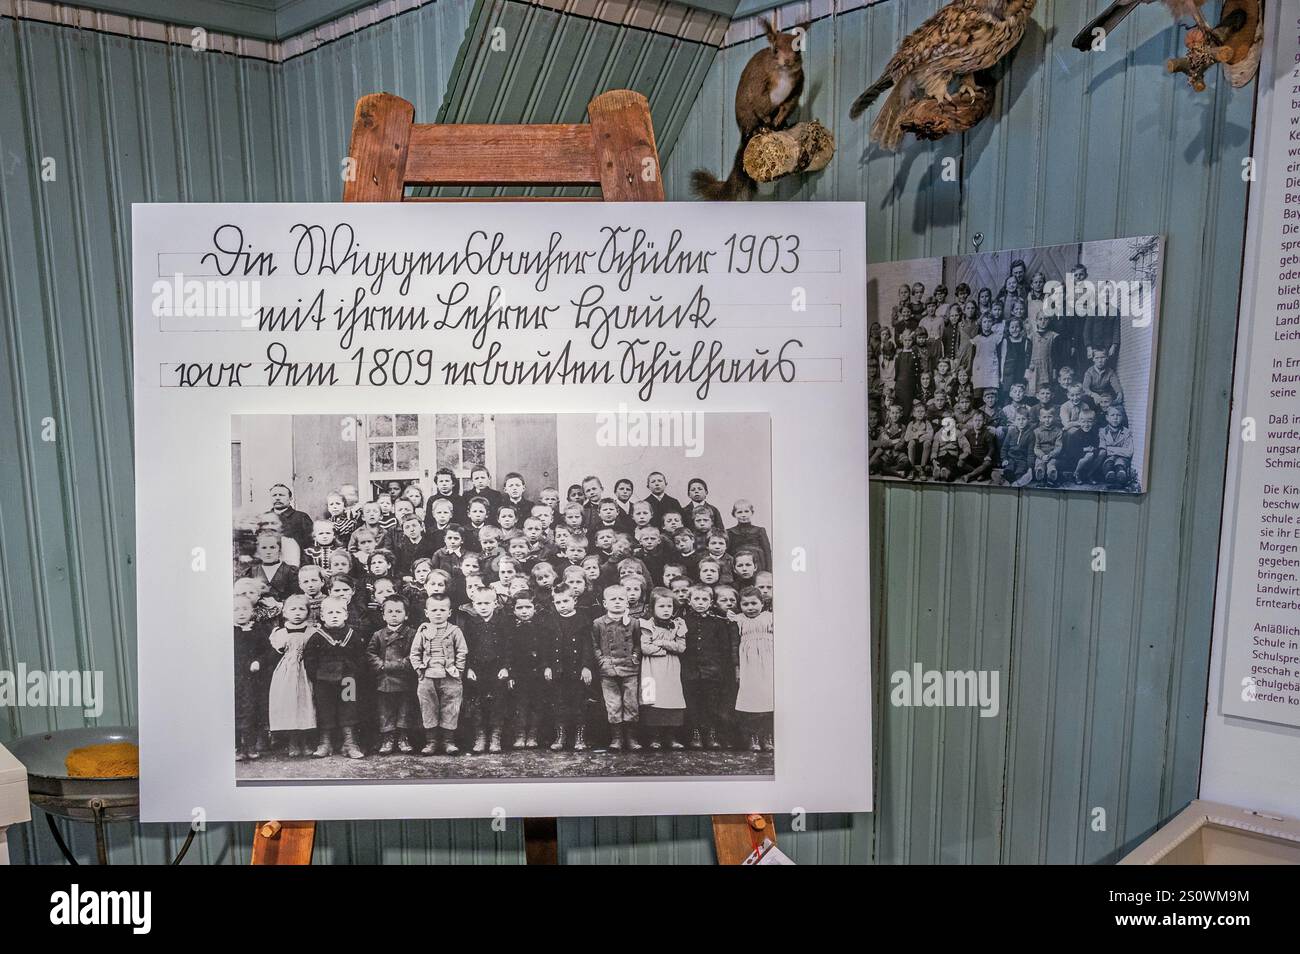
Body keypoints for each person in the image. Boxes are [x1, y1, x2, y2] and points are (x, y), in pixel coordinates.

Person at [305, 596, 367, 759]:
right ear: (322, 616)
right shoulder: (317, 636)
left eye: (338, 612)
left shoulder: (353, 635)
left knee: (349, 708)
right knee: (325, 709)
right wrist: (317, 677)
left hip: (348, 680)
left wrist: (354, 673)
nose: (334, 615)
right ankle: (325, 743)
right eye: (330, 612)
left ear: (345, 615)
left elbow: (361, 657)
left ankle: (350, 743)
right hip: (324, 681)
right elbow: (309, 659)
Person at [410, 594, 468, 756]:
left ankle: (448, 742)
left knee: (450, 707)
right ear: (426, 612)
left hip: (450, 676)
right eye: (434, 610)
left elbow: (462, 651)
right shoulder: (423, 630)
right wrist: (419, 670)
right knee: (428, 707)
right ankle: (431, 742)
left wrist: (459, 671)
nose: (438, 613)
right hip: (427, 676)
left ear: (449, 613)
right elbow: (415, 652)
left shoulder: (454, 631)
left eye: (442, 610)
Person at [267, 594, 319, 757]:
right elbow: (275, 654)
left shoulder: (313, 631)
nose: (297, 613)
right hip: (286, 673)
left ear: (308, 612)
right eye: (293, 609)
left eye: (302, 609)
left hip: (305, 671)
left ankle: (305, 741)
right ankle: (293, 741)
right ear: (285, 613)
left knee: (306, 704)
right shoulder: (280, 633)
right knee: (289, 704)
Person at [591, 584, 642, 752]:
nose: (618, 602)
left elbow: (638, 644)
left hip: (630, 669)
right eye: (613, 599)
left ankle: (632, 738)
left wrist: (635, 657)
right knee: (613, 704)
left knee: (631, 703)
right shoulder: (598, 623)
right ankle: (617, 738)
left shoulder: (634, 623)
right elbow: (595, 645)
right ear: (605, 604)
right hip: (608, 669)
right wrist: (602, 661)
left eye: (621, 599)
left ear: (627, 603)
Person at [366, 595, 419, 754]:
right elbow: (370, 654)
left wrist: (397, 665)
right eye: (389, 612)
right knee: (386, 709)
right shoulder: (378, 635)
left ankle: (403, 737)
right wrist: (381, 666)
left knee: (405, 708)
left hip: (405, 679)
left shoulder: (412, 633)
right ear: (383, 615)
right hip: (385, 679)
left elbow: (415, 654)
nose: (394, 615)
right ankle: (387, 738)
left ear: (406, 614)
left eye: (398, 611)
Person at [638, 588, 687, 749]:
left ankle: (671, 737)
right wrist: (666, 649)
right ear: (652, 608)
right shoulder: (646, 625)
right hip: (650, 668)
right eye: (661, 607)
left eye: (669, 607)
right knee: (651, 699)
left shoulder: (678, 625)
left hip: (671, 668)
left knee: (671, 699)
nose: (666, 610)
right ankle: (654, 738)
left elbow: (681, 648)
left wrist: (661, 643)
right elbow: (645, 648)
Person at [733, 586, 774, 752]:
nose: (750, 608)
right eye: (745, 604)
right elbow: (734, 645)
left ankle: (767, 736)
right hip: (749, 666)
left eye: (754, 603)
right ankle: (753, 736)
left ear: (762, 603)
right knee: (751, 700)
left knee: (769, 699)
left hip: (769, 663)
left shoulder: (770, 618)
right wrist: (737, 668)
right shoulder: (738, 620)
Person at [268, 483, 314, 554]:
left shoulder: (302, 517)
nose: (277, 498)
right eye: (274, 495)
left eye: (281, 495)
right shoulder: (265, 518)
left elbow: (310, 544)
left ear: (290, 499)